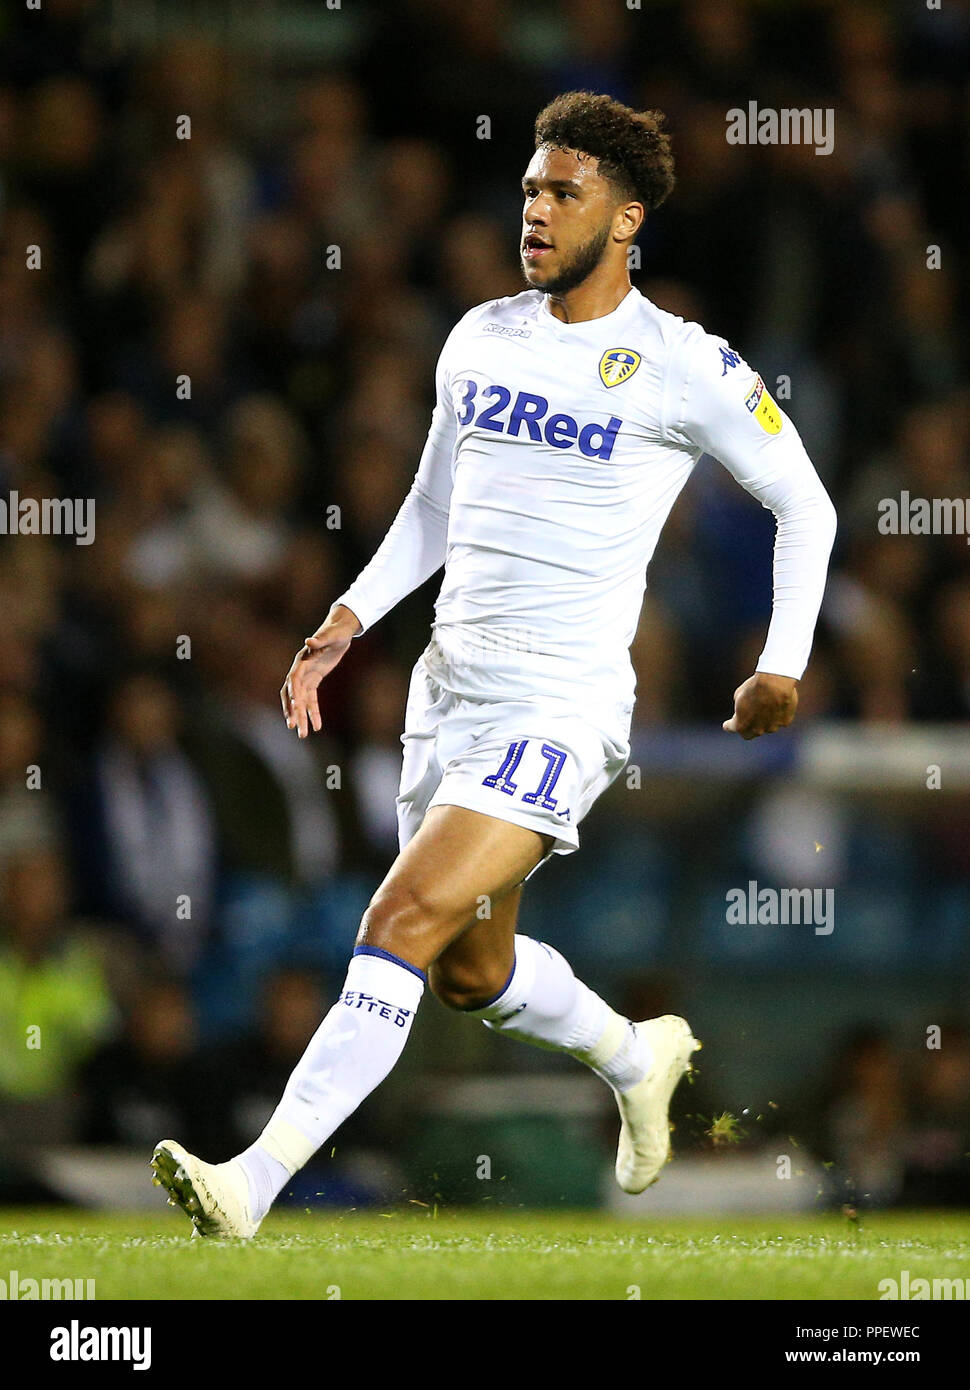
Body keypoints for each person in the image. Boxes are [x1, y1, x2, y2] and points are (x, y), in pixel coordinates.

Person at [152, 91, 837, 1238]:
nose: (535, 208)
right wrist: (350, 614)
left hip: (561, 702)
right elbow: (432, 504)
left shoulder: (684, 364)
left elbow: (803, 506)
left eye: (563, 193)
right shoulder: (479, 335)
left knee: (402, 914)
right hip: (450, 687)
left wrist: (781, 661)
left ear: (624, 221)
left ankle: (249, 1180)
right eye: (529, 187)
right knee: (471, 970)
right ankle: (633, 1052)